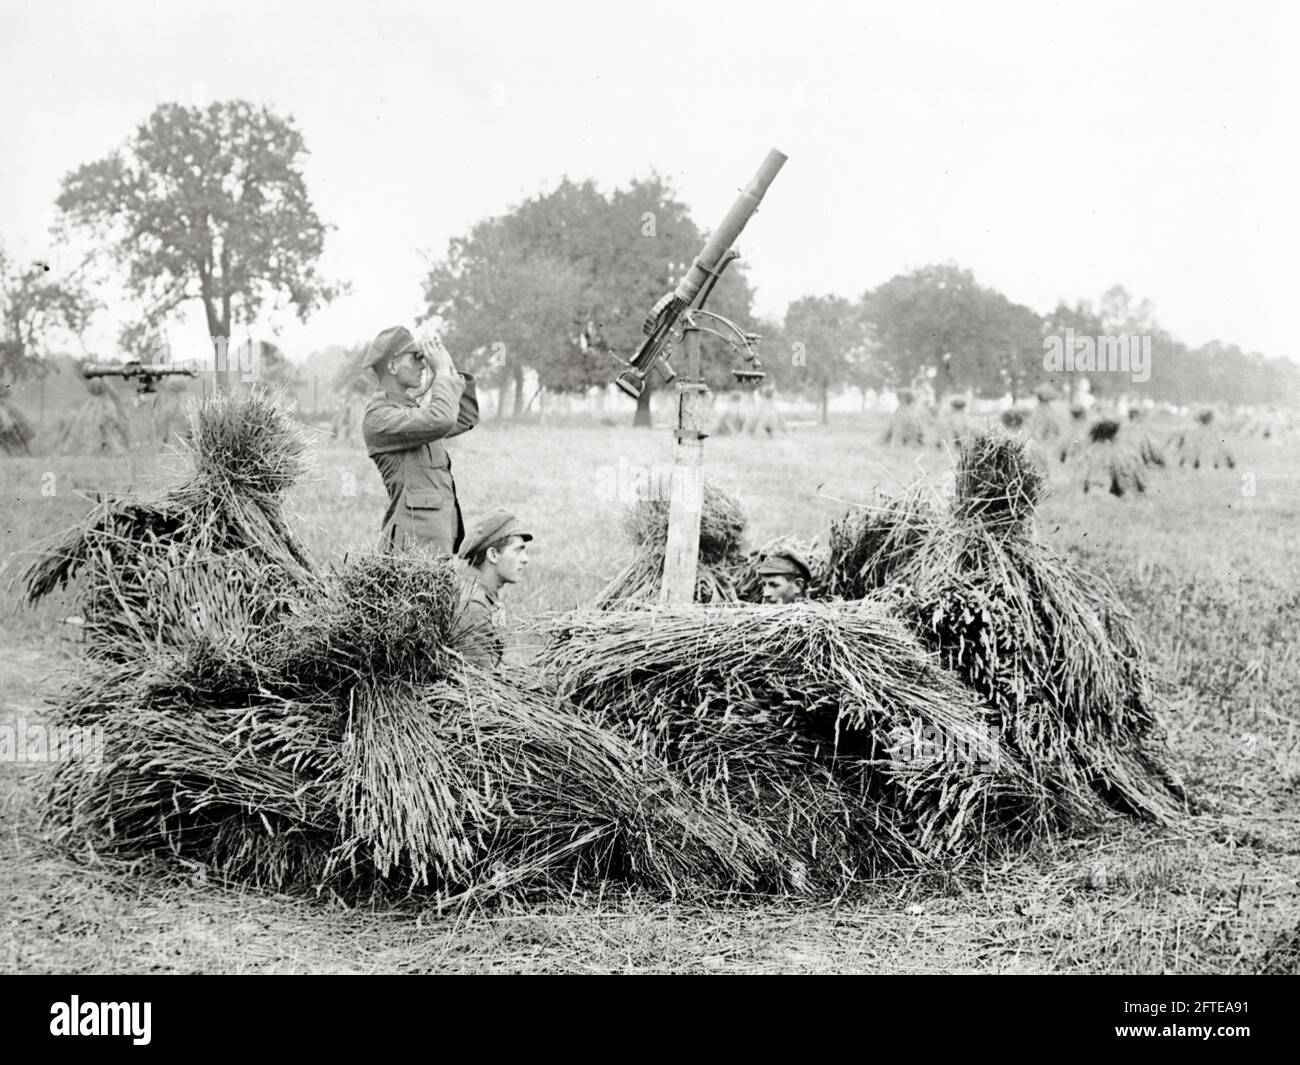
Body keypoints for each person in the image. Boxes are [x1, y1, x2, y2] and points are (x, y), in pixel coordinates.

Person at [361, 324, 479, 554]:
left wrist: (447, 365)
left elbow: (465, 417)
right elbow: (443, 418)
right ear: (393, 366)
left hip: (437, 541)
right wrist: (442, 373)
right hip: (411, 549)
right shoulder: (379, 417)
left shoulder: (412, 411)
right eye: (415, 358)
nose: (423, 363)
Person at [452, 509, 533, 669]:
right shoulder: (472, 606)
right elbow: (478, 679)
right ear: (493, 555)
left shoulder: (487, 593)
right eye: (518, 550)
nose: (525, 559)